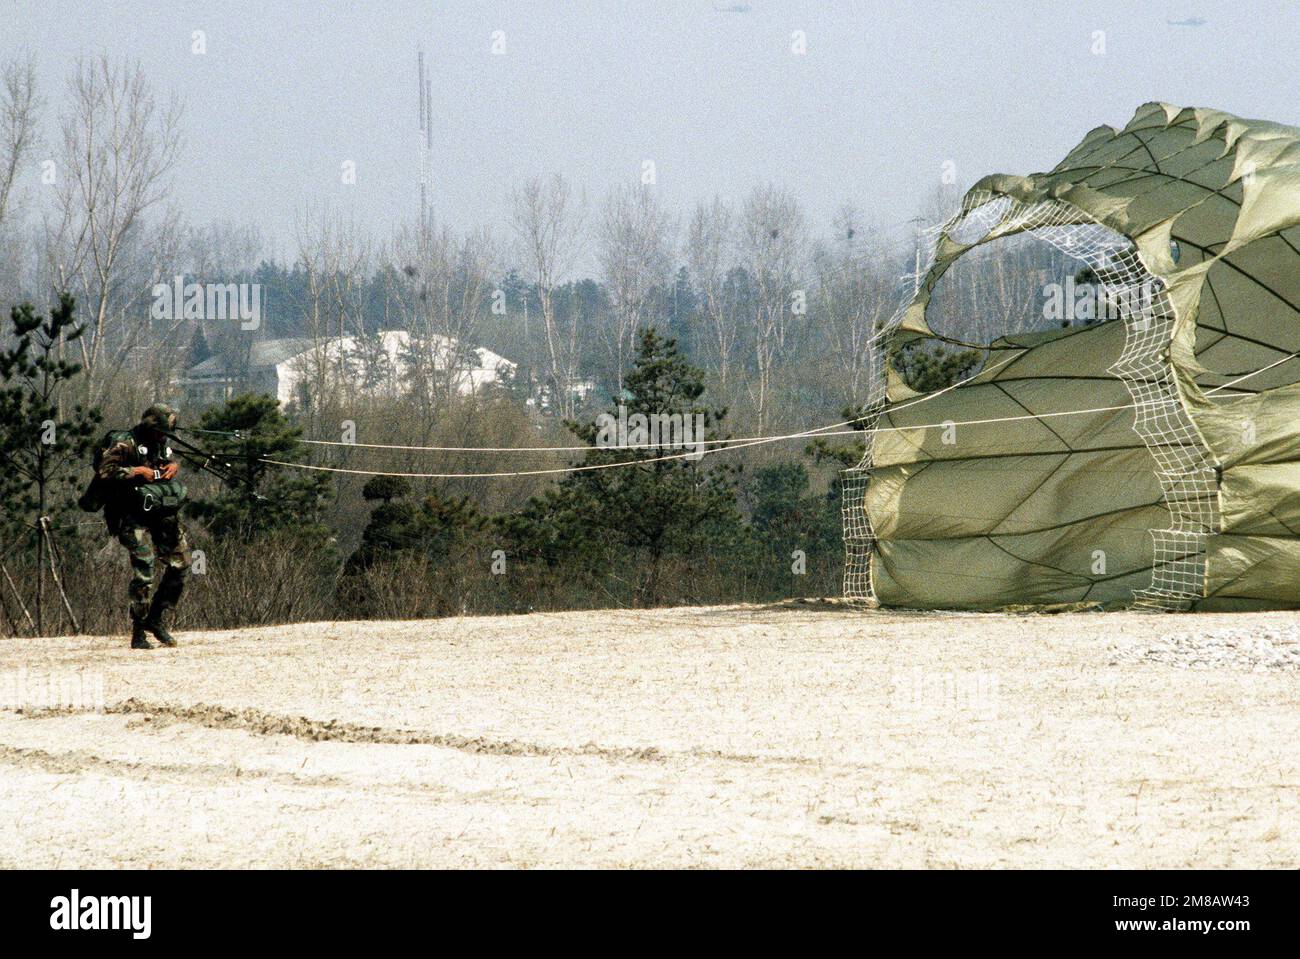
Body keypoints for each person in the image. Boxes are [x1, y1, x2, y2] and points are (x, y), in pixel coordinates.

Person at [94, 404, 192, 649]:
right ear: (150, 426)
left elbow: (166, 460)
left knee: (180, 563)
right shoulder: (123, 441)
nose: (162, 437)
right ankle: (138, 632)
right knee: (144, 568)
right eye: (160, 432)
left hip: (158, 511)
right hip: (129, 514)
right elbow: (104, 471)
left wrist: (172, 467)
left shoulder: (160, 441)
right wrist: (136, 471)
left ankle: (156, 618)